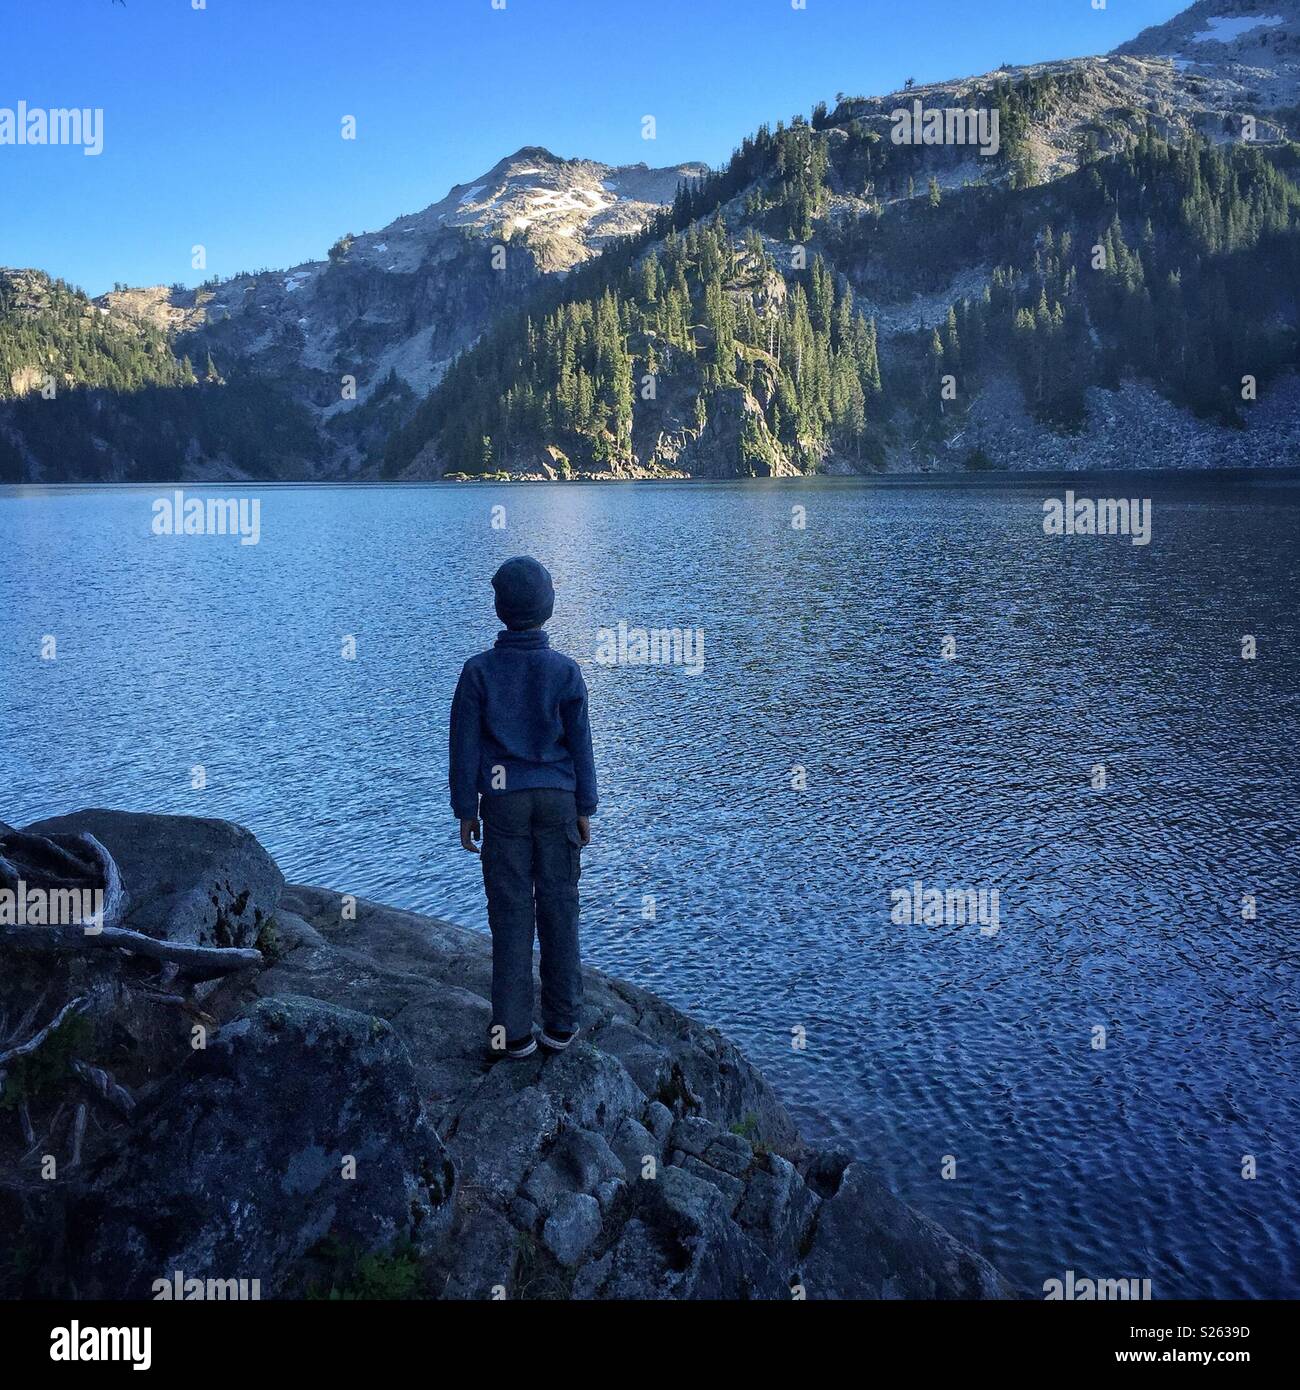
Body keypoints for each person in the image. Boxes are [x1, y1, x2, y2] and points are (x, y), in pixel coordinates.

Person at [449, 556, 597, 1059]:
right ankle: (561, 1023)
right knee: (560, 907)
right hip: (557, 800)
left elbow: (464, 747)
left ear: (498, 608)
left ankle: (511, 1032)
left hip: (503, 803)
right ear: (548, 608)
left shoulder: (478, 672)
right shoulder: (565, 671)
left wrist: (466, 808)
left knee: (510, 914)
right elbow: (581, 746)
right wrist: (586, 806)